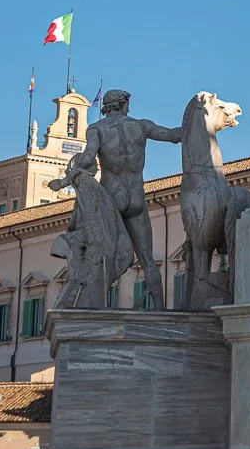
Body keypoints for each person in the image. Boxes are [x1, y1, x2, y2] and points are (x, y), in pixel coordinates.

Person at [49, 89, 181, 309]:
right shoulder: (141, 126)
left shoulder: (97, 130)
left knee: (101, 253)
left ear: (107, 107)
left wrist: (64, 182)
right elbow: (174, 135)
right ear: (123, 104)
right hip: (137, 197)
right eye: (128, 103)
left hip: (112, 197)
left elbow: (88, 158)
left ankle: (91, 300)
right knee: (147, 260)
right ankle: (160, 311)